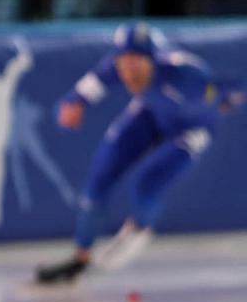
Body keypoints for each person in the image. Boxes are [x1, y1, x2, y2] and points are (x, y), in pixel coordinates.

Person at [36, 22, 244, 284]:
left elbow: (228, 91)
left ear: (154, 62)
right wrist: (70, 108)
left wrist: (227, 99)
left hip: (192, 127)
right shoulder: (116, 66)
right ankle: (81, 257)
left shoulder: (186, 77)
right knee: (98, 180)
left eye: (138, 63)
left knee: (145, 184)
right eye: (125, 62)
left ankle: (139, 229)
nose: (129, 71)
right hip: (151, 113)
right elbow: (74, 99)